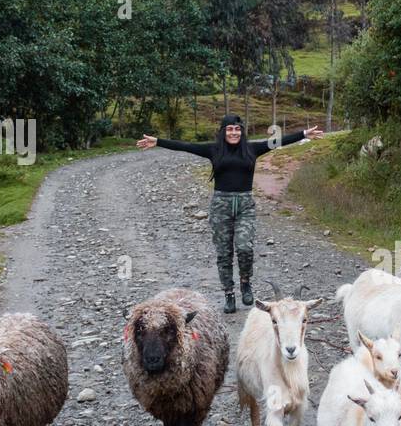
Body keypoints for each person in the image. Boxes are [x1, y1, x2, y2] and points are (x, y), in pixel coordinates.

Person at [138, 115, 323, 312]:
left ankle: (245, 283)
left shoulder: (252, 149)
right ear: (223, 132)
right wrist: (157, 141)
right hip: (220, 206)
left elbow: (278, 141)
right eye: (229, 129)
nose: (234, 133)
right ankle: (228, 294)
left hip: (245, 205)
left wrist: (304, 133)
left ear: (241, 131)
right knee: (224, 253)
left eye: (237, 129)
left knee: (245, 247)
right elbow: (184, 145)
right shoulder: (213, 150)